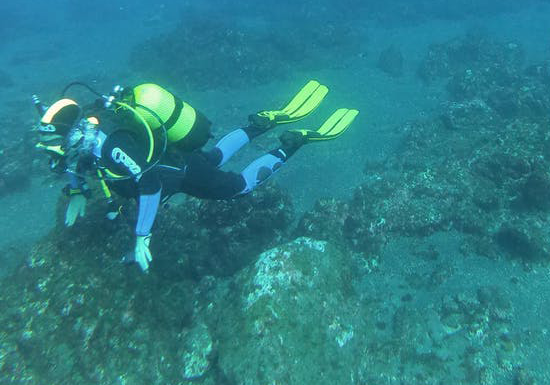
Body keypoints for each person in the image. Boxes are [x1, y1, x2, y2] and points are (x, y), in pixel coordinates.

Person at [34, 80, 357, 272]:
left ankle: (293, 143)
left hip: (178, 173)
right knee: (214, 156)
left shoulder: (110, 146)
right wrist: (76, 192)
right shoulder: (85, 141)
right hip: (176, 157)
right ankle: (263, 122)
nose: (52, 153)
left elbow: (149, 184)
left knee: (238, 186)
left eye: (53, 144)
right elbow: (73, 165)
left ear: (72, 134)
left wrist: (142, 234)